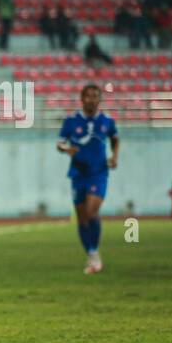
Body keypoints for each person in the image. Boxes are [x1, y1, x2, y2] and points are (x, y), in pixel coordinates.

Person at [57, 84, 119, 274]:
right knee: (82, 218)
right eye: (88, 96)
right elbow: (60, 143)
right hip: (78, 173)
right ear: (82, 98)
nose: (91, 99)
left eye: (95, 96)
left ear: (100, 99)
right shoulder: (71, 121)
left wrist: (115, 156)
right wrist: (67, 149)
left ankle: (94, 254)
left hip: (98, 173)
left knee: (92, 212)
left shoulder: (107, 121)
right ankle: (92, 254)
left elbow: (115, 139)